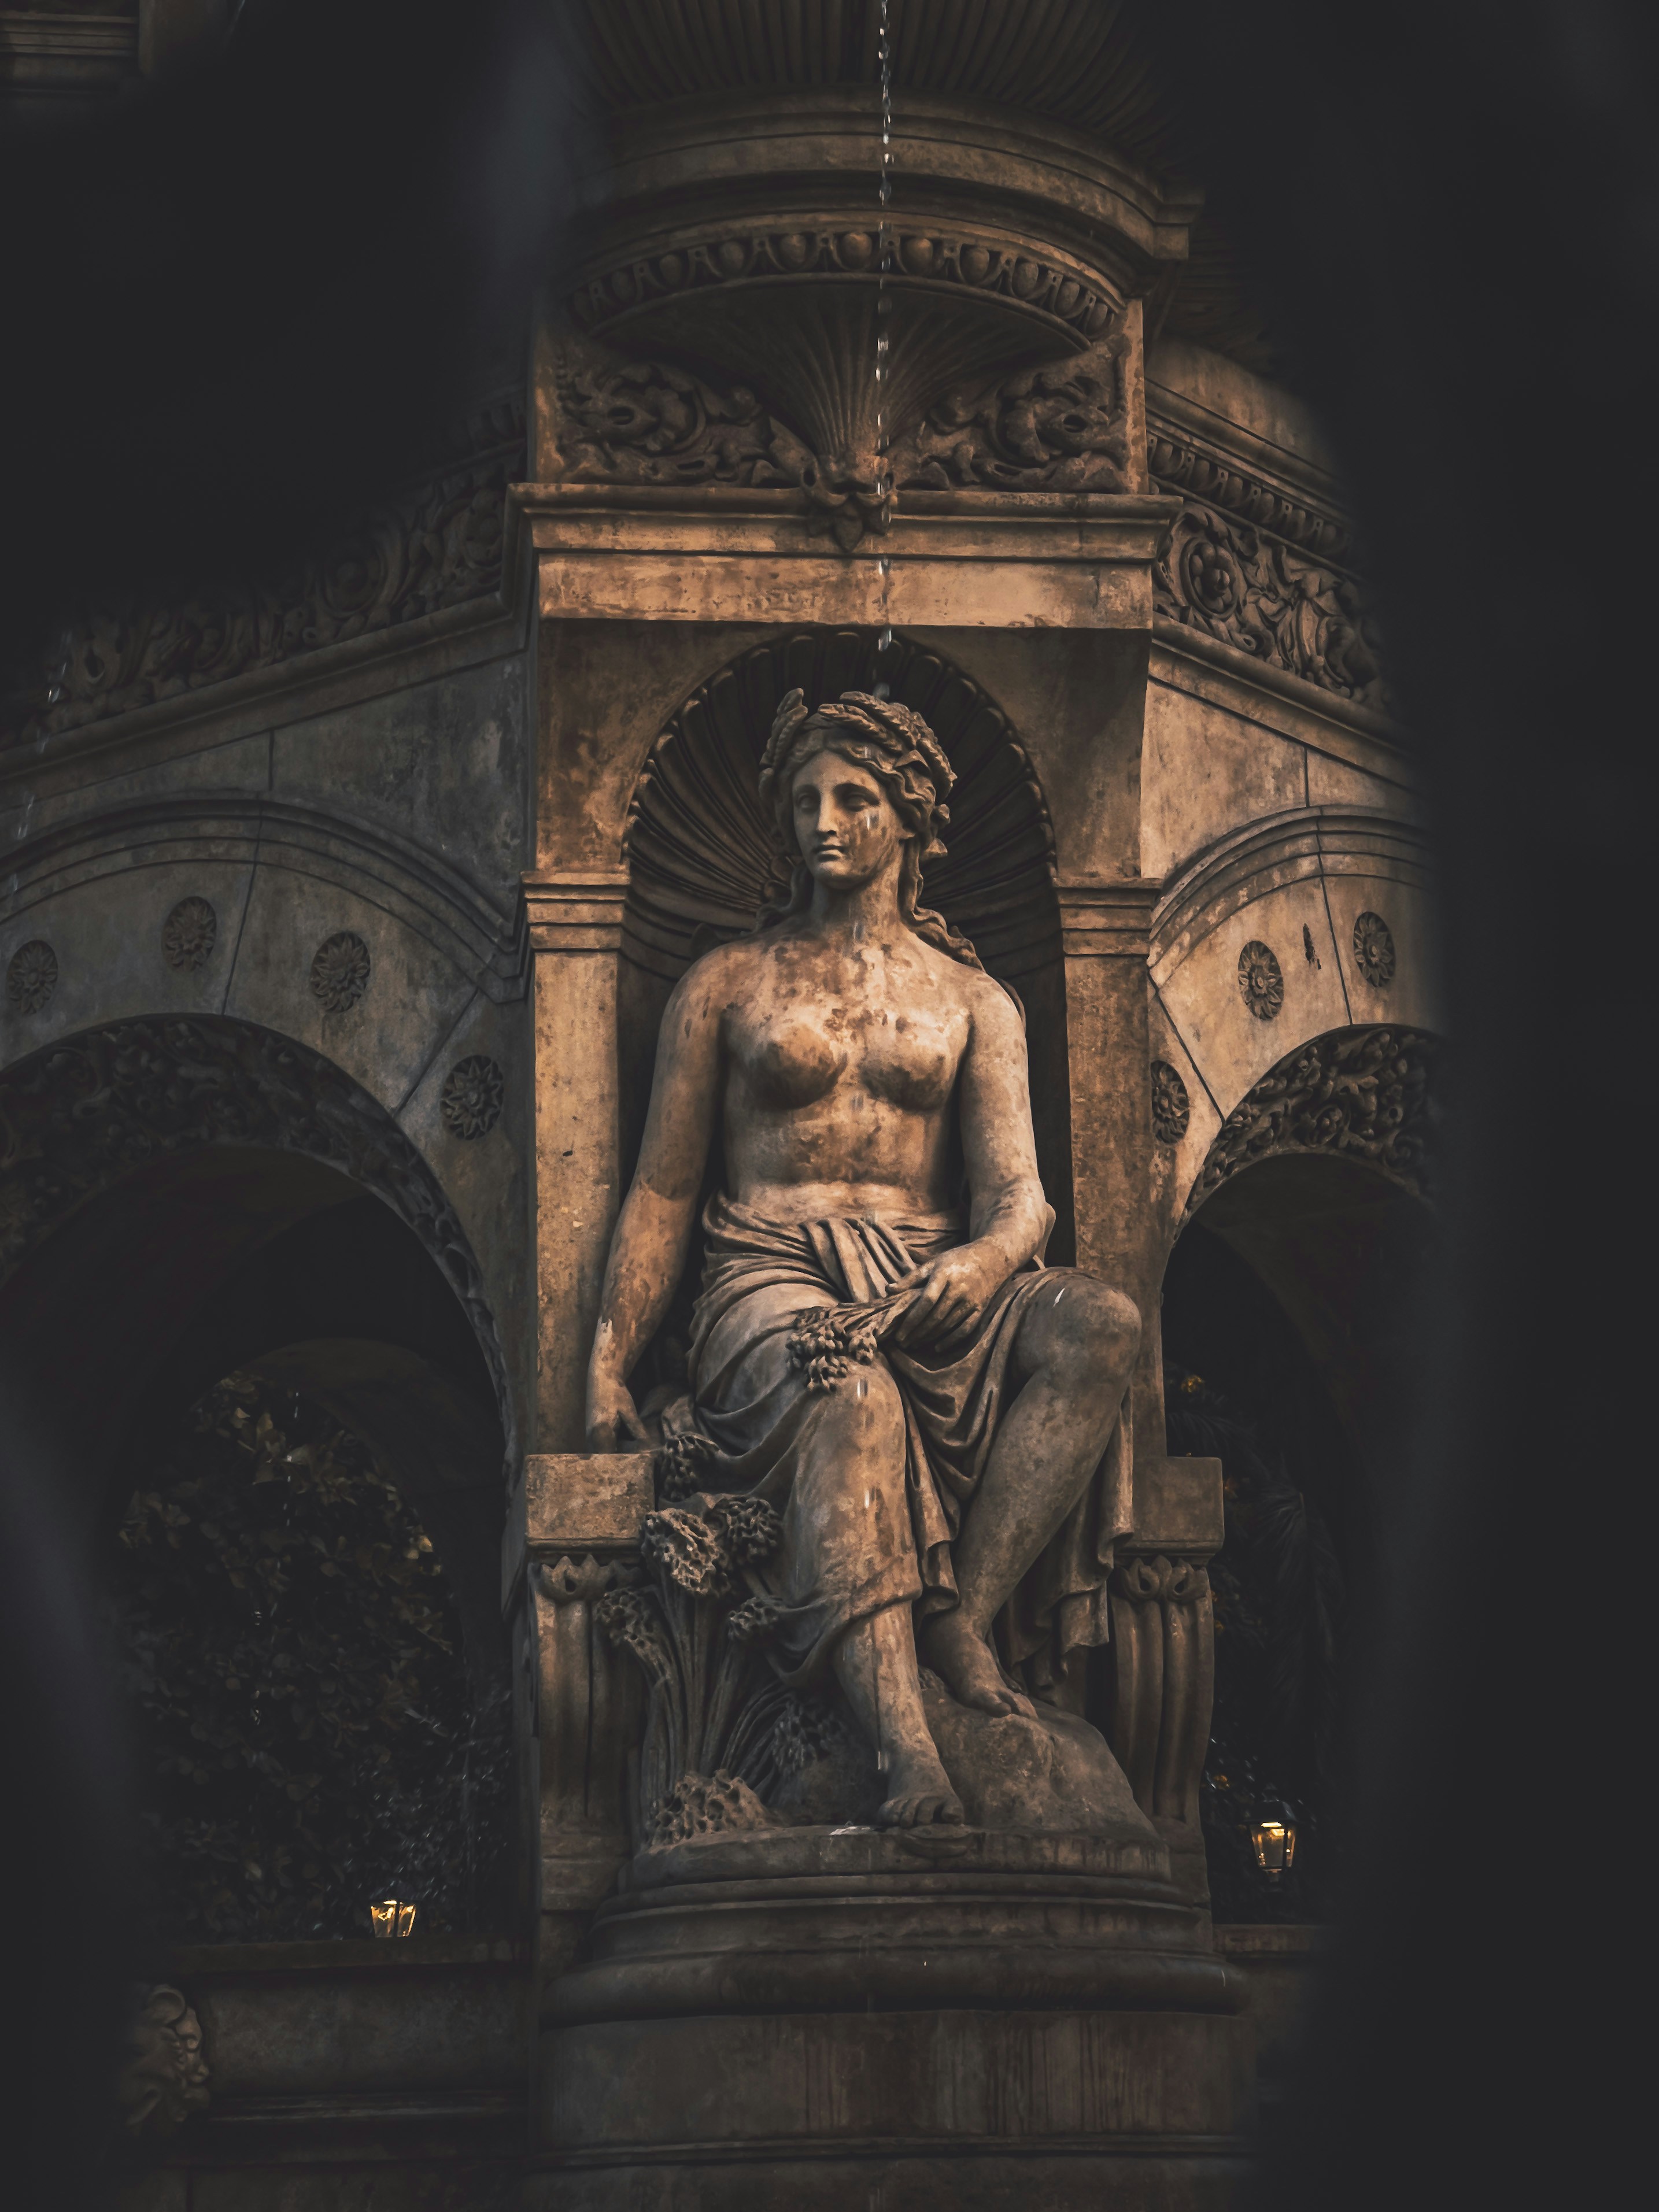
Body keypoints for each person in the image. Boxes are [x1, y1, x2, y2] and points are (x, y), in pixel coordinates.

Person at [586, 687, 1140, 1827]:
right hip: (770, 1273)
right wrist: (605, 1355)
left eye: (852, 796)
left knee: (1101, 1325)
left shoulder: (973, 998)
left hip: (934, 1274)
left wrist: (984, 1266)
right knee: (858, 1402)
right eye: (801, 799)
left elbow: (1021, 1198)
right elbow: (662, 1187)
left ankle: (962, 1618)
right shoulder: (727, 982)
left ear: (911, 814)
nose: (820, 820)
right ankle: (908, 1753)